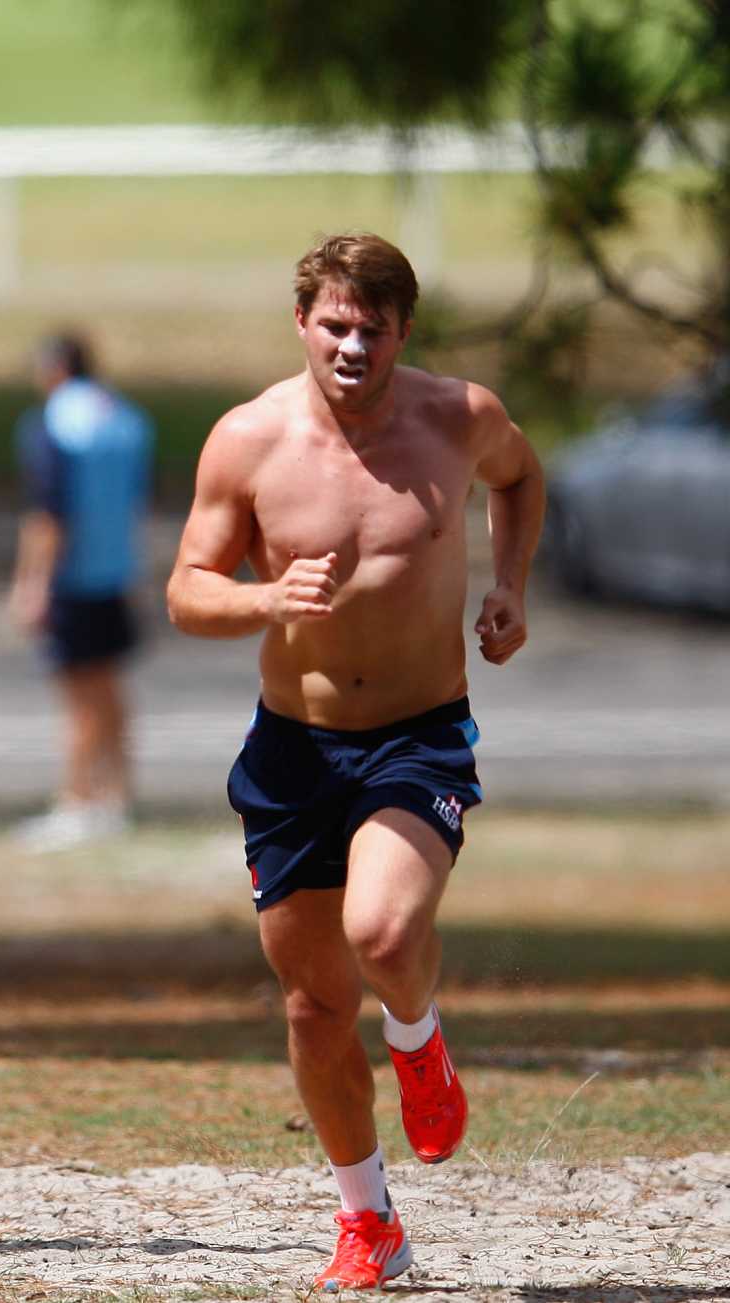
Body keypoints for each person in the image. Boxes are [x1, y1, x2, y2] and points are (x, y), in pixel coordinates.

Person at [166, 233, 542, 1291]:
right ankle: (366, 1217)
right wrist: (261, 599)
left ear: (399, 333)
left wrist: (508, 585)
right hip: (291, 745)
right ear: (301, 324)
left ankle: (418, 1040)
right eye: (332, 324)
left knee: (380, 929)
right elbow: (186, 590)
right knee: (311, 1004)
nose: (349, 345)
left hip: (417, 733)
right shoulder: (246, 439)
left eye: (370, 328)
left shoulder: (456, 417)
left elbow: (517, 478)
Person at [7, 332, 152, 851]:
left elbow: (49, 515)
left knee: (78, 698)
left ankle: (77, 801)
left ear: (53, 370)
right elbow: (135, 503)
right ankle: (118, 796)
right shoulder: (127, 419)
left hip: (73, 577)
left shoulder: (51, 424)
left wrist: (33, 584)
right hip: (117, 571)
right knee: (110, 690)